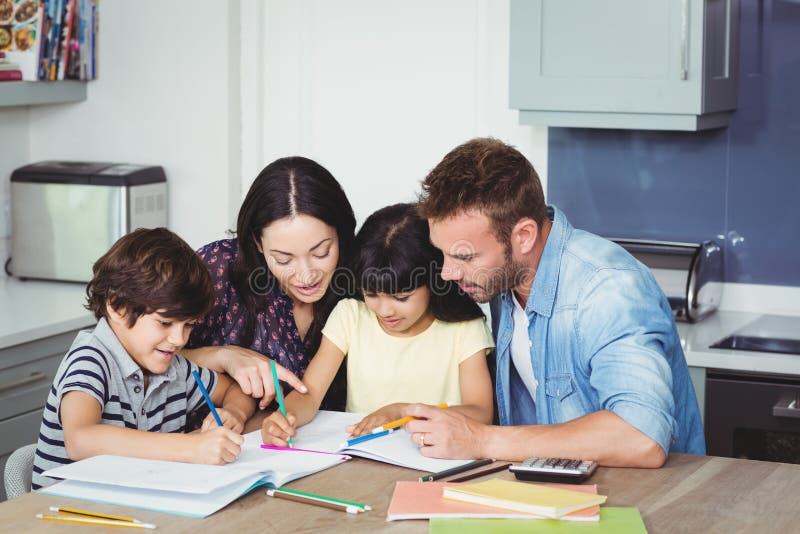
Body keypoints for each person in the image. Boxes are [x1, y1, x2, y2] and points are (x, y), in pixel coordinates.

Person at [404, 137, 705, 467]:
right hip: (558, 494)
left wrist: (481, 439)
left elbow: (642, 437)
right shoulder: (504, 278)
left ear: (524, 236)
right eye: (443, 253)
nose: (447, 272)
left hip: (649, 502)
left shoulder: (607, 290)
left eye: (464, 256)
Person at [32, 228, 255, 490]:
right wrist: (189, 447)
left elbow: (235, 389)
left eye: (188, 325)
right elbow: (81, 440)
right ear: (117, 306)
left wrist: (234, 412)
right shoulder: (91, 360)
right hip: (66, 515)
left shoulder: (175, 369)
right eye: (165, 322)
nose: (178, 339)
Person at [261, 203, 495, 444]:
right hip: (363, 459)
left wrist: (403, 412)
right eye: (371, 294)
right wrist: (284, 418)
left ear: (435, 281)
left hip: (434, 460)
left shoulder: (464, 329)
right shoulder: (350, 315)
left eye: (402, 297)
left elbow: (480, 412)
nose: (384, 310)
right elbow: (309, 396)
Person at [181, 157, 357, 412]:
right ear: (258, 243)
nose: (306, 275)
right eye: (284, 259)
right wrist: (221, 356)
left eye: (321, 253)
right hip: (215, 443)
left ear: (341, 234)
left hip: (331, 447)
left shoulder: (365, 277)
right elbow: (135, 357)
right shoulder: (218, 268)